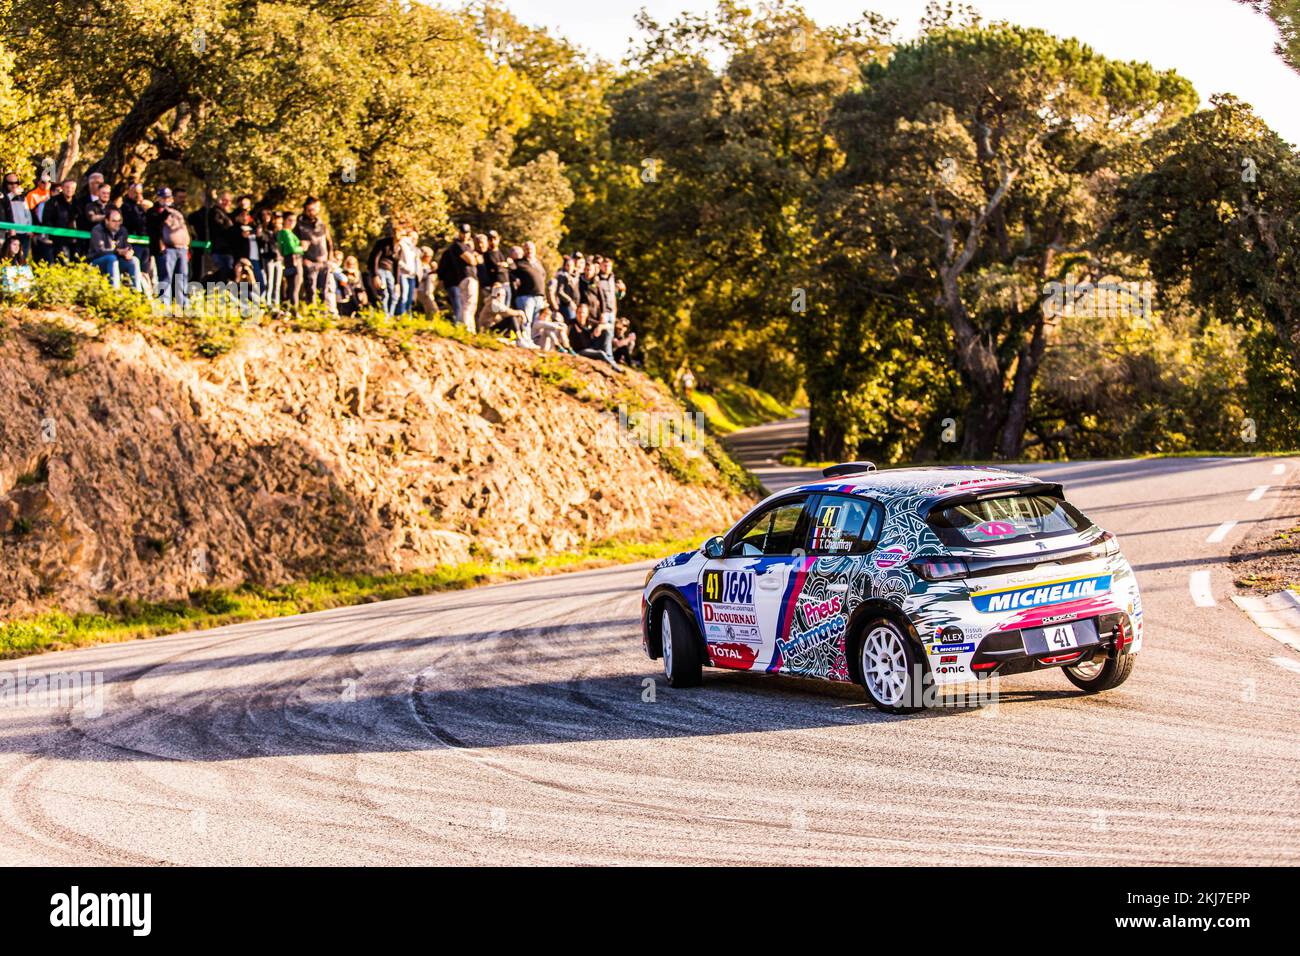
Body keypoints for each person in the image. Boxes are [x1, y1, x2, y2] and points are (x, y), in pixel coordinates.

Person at [146, 187, 190, 309]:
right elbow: (154, 226)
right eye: (164, 197)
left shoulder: (177, 212)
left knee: (182, 277)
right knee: (166, 278)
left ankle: (183, 305)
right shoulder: (153, 212)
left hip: (181, 248)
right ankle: (164, 305)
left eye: (169, 197)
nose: (166, 200)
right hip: (166, 250)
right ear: (158, 198)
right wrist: (165, 212)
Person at [89, 207, 144, 290]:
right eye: (114, 221)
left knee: (134, 260)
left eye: (119, 221)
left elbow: (127, 245)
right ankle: (115, 292)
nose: (117, 223)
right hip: (97, 262)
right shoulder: (97, 230)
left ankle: (137, 294)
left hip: (116, 262)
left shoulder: (122, 230)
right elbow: (99, 251)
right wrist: (118, 252)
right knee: (112, 258)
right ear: (107, 221)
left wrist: (129, 251)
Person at [436, 223, 479, 330]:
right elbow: (472, 261)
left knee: (470, 304)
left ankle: (467, 327)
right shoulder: (457, 246)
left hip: (465, 279)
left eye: (467, 233)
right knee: (466, 304)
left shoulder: (466, 247)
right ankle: (464, 327)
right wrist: (475, 256)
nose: (465, 235)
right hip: (463, 278)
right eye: (463, 232)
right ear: (459, 233)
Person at [295, 197, 331, 304]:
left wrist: (330, 259)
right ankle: (312, 312)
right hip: (309, 262)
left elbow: (329, 242)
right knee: (311, 290)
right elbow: (295, 244)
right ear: (305, 209)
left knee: (324, 290)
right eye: (310, 209)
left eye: (314, 209)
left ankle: (323, 312)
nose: (312, 212)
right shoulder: (299, 226)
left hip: (324, 262)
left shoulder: (322, 225)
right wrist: (302, 260)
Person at [510, 241, 547, 347]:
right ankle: (525, 341)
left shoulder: (538, 264)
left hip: (539, 297)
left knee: (535, 322)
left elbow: (542, 278)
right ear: (523, 251)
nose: (529, 250)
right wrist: (515, 279)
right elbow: (509, 272)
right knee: (526, 320)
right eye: (526, 249)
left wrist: (544, 297)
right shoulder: (519, 263)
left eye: (531, 248)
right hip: (526, 296)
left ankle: (531, 341)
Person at [41, 179, 80, 262]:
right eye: (67, 187)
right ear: (62, 188)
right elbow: (46, 220)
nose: (69, 190)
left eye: (72, 188)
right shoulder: (53, 202)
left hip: (75, 239)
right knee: (62, 262)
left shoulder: (78, 202)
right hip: (57, 239)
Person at [367, 224, 399, 315]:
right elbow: (375, 259)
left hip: (389, 272)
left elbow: (397, 266)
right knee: (384, 294)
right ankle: (384, 316)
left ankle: (390, 316)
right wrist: (375, 275)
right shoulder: (383, 243)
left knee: (394, 295)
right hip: (380, 270)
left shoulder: (398, 247)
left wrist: (397, 283)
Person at [278, 211, 306, 306]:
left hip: (289, 260)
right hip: (293, 260)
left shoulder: (287, 232)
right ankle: (294, 309)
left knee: (292, 286)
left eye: (294, 220)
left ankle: (290, 307)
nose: (292, 223)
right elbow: (292, 248)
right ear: (284, 221)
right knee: (295, 286)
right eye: (289, 220)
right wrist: (302, 248)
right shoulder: (286, 233)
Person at [258, 208, 283, 307]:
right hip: (268, 257)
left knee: (277, 283)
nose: (266, 218)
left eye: (268, 215)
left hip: (278, 258)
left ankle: (276, 303)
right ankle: (267, 303)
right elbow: (262, 241)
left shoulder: (277, 230)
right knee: (269, 282)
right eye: (263, 216)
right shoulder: (261, 229)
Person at [395, 221, 421, 316]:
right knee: (404, 296)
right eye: (414, 238)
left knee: (410, 297)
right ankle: (400, 314)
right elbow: (397, 260)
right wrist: (406, 268)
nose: (415, 240)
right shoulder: (403, 244)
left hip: (412, 275)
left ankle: (408, 315)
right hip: (403, 274)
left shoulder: (414, 249)